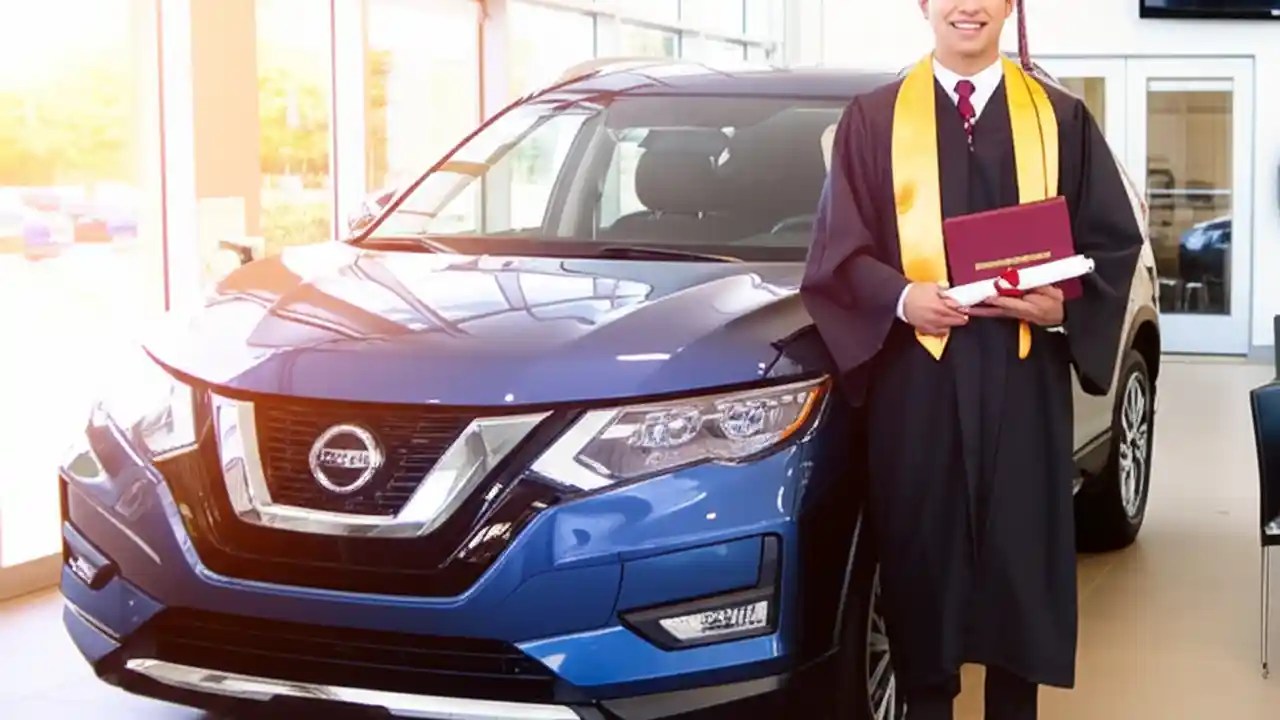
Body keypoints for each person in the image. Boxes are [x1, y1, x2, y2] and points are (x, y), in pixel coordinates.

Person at [799, 1, 1145, 719]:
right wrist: (900, 299)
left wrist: (1066, 307)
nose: (968, 5)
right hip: (918, 391)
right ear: (923, 4)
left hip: (1024, 389)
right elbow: (837, 253)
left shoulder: (1059, 118)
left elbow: (1111, 241)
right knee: (924, 583)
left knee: (1020, 585)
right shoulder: (874, 120)